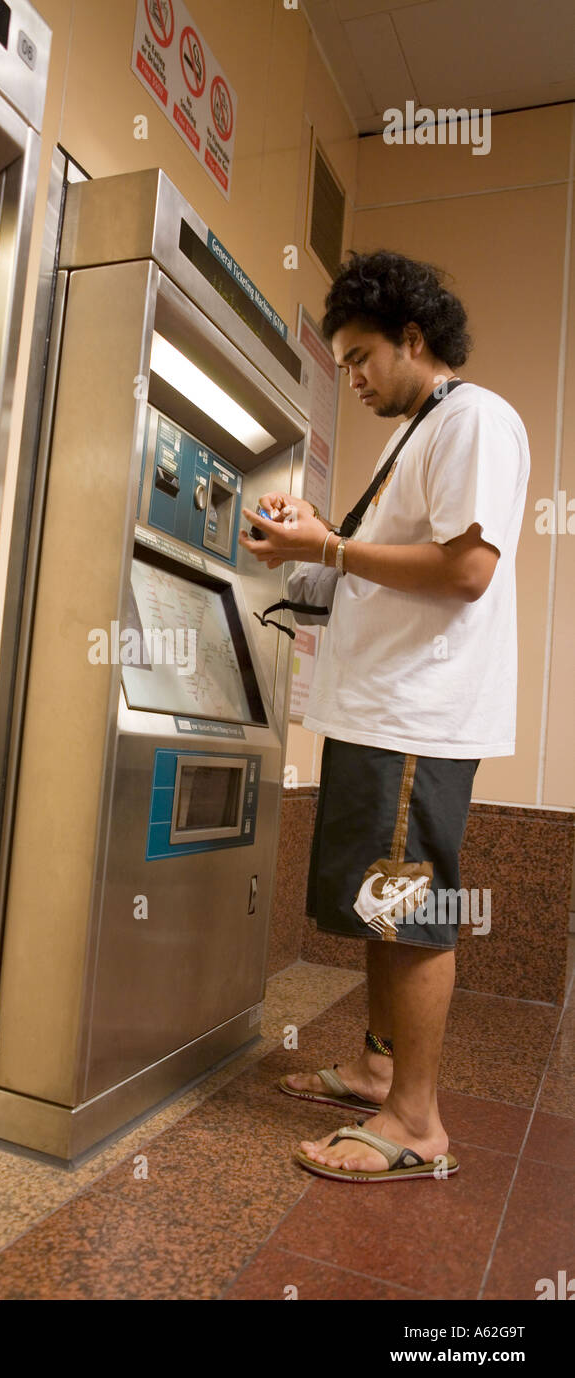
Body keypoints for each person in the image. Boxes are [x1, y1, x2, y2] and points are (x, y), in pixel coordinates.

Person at [238, 249, 530, 1182]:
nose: (353, 379)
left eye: (362, 358)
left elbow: (467, 568)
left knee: (411, 911)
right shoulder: (423, 432)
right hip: (382, 714)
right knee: (381, 909)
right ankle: (375, 1068)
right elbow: (391, 563)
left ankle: (416, 1125)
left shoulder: (473, 418)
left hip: (418, 717)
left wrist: (329, 541)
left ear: (415, 339)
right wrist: (318, 541)